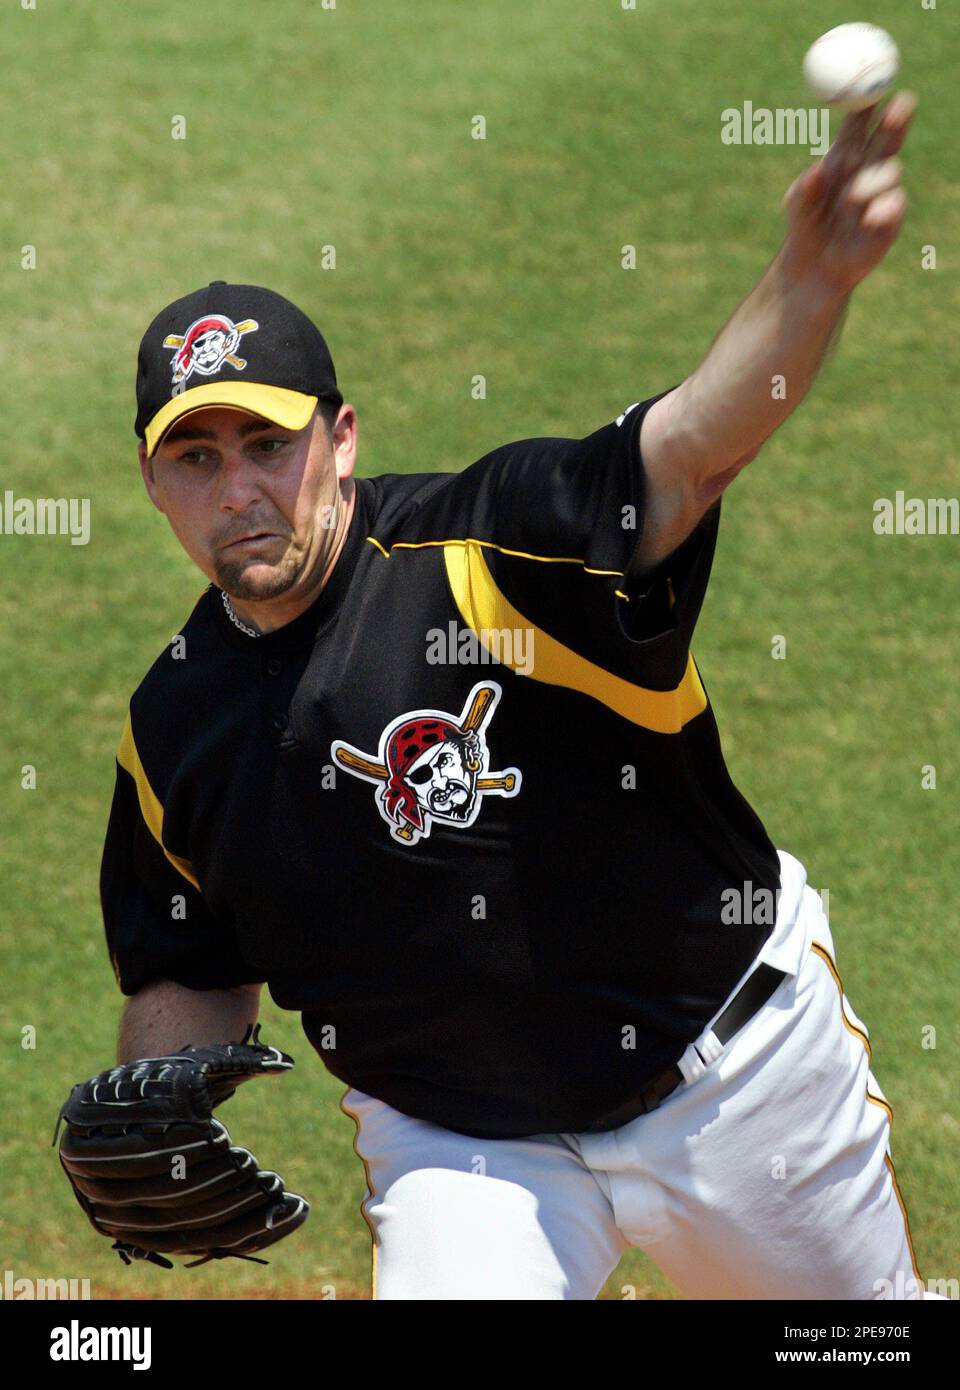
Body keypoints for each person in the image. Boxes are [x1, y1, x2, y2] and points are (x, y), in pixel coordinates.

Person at [85, 94, 933, 1299]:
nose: (241, 492)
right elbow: (188, 956)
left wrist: (814, 280)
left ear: (340, 439)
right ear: (153, 482)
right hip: (463, 1147)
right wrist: (152, 1100)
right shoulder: (172, 727)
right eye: (198, 459)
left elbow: (692, 450)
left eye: (269, 446)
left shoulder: (491, 552)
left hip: (729, 1079)